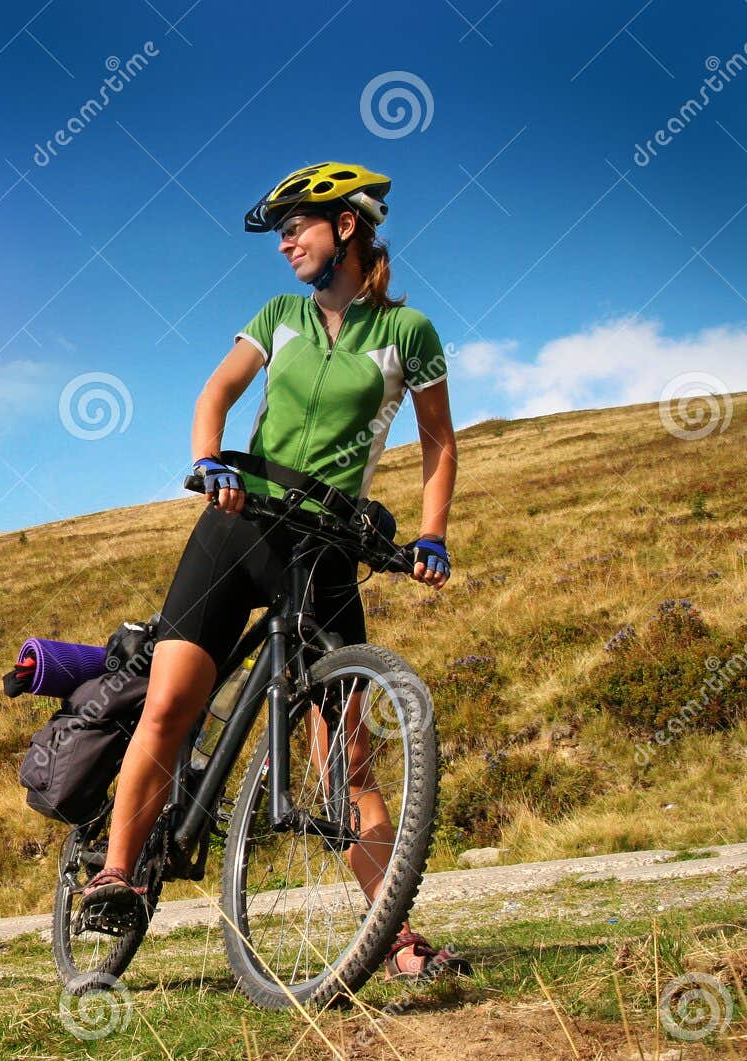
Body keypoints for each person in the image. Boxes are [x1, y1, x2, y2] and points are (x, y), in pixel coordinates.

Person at [83, 162, 467, 982]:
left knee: (348, 759)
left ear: (349, 228)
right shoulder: (280, 315)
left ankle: (392, 936)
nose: (287, 240)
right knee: (171, 704)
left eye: (301, 223)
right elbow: (216, 393)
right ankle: (116, 871)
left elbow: (439, 442)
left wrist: (431, 535)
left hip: (327, 549)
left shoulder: (409, 334)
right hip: (239, 525)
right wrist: (208, 461)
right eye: (284, 228)